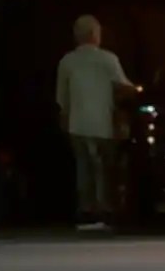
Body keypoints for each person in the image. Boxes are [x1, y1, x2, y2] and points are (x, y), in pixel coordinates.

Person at [56, 15, 136, 231]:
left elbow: (62, 98)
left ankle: (86, 211)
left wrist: (65, 118)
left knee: (83, 168)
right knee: (104, 169)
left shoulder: (67, 62)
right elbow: (124, 87)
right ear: (94, 34)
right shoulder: (108, 59)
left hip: (77, 124)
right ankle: (105, 209)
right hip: (104, 123)